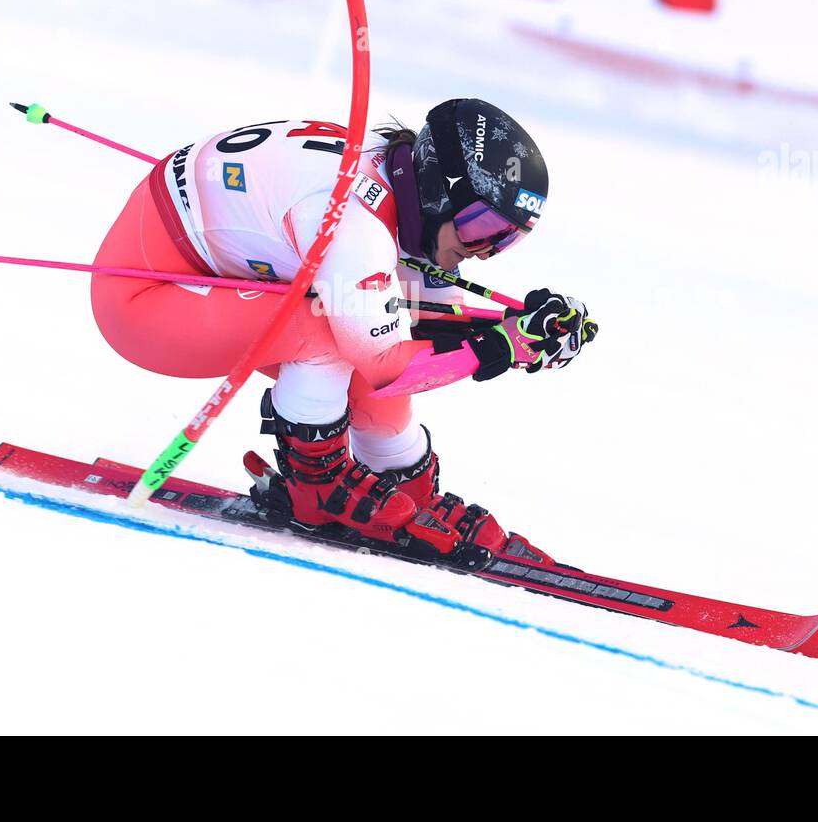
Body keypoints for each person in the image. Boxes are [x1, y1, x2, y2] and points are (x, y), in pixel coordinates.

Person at [90, 98, 597, 561]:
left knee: (359, 319)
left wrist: (519, 330)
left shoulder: (403, 184)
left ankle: (400, 476)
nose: (484, 251)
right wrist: (505, 346)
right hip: (145, 300)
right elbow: (387, 367)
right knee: (329, 329)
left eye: (506, 239)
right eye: (482, 228)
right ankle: (318, 487)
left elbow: (424, 317)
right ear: (441, 189)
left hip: (225, 278)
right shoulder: (354, 227)